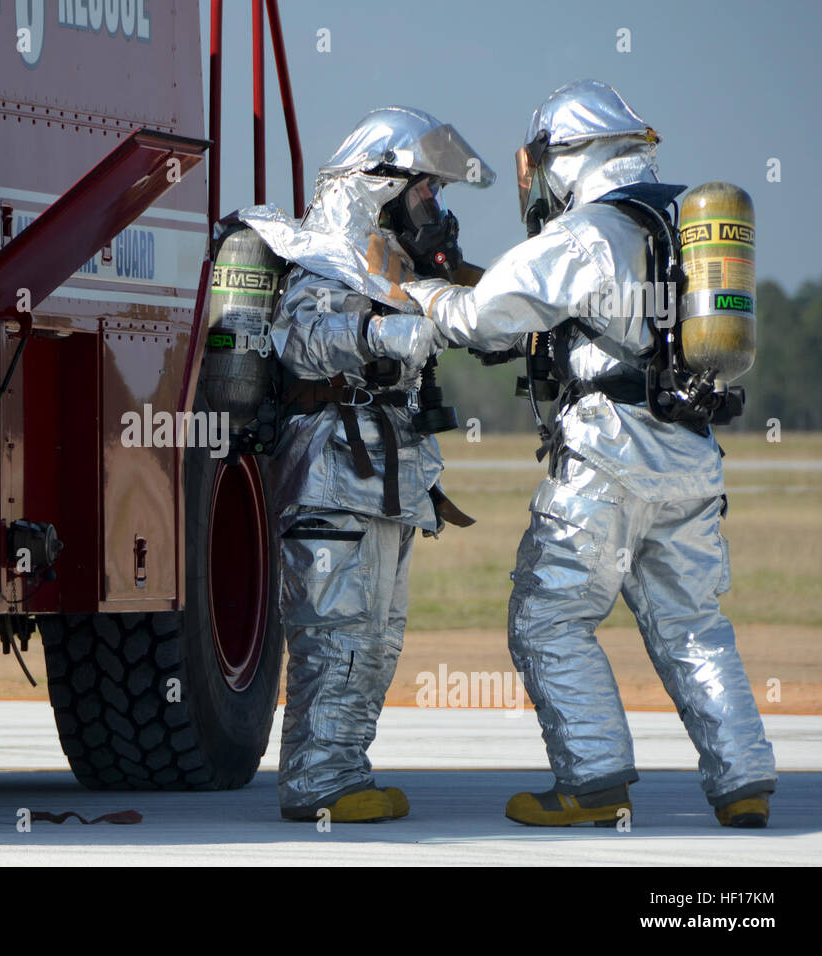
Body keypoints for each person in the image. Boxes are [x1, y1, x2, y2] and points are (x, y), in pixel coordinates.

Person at [394, 80, 777, 827]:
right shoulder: (673, 220)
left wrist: (419, 293)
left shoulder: (582, 235)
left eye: (540, 159)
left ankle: (593, 781)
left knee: (548, 617)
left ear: (566, 155)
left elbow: (481, 320)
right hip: (691, 455)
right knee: (693, 623)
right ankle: (746, 782)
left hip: (609, 457)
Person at [237, 107, 493, 822]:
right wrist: (377, 335)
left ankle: (345, 771)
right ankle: (317, 783)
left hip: (385, 480)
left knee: (377, 642)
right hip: (330, 476)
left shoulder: (390, 269)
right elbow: (299, 339)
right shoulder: (321, 257)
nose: (435, 210)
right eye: (425, 192)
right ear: (380, 187)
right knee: (334, 639)